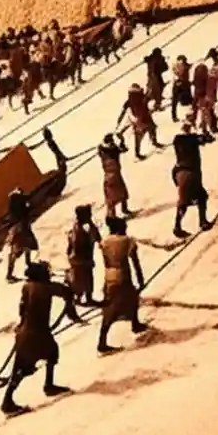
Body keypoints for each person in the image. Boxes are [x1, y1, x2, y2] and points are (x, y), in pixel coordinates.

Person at [1, 262, 84, 415]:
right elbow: (68, 292)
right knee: (48, 355)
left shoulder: (27, 286)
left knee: (20, 366)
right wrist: (70, 281)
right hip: (38, 334)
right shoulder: (46, 288)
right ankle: (46, 386)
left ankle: (9, 398)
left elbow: (22, 309)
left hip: (24, 332)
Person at [97, 216, 149, 354]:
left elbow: (106, 261)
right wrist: (141, 279)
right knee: (132, 299)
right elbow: (135, 262)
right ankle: (135, 324)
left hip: (109, 277)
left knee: (109, 308)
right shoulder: (127, 241)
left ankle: (102, 340)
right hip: (123, 276)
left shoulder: (104, 242)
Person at [172, 121, 214, 239]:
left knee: (196, 197)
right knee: (190, 200)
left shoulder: (177, 140)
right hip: (190, 174)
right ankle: (199, 223)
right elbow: (208, 139)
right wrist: (205, 133)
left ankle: (183, 225)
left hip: (179, 172)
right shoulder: (192, 138)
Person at [66, 205, 102, 306]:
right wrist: (88, 261)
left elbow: (97, 236)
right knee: (84, 279)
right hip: (80, 259)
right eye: (88, 214)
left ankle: (84, 298)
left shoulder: (81, 226)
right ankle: (82, 298)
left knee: (84, 279)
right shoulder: (78, 231)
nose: (90, 215)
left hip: (80, 259)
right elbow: (80, 248)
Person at [116, 84, 161, 159]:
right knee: (144, 133)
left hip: (140, 118)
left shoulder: (131, 100)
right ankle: (141, 151)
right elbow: (149, 97)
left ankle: (146, 147)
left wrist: (119, 120)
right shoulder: (141, 98)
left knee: (147, 131)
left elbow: (123, 111)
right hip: (141, 119)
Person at [4, 188, 37, 283]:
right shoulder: (18, 199)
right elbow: (28, 204)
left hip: (17, 228)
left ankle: (27, 265)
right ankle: (10, 275)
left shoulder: (12, 203)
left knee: (23, 248)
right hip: (21, 227)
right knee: (20, 249)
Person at [98, 133, 133, 218]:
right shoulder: (114, 150)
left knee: (111, 198)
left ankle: (113, 215)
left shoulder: (101, 150)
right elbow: (124, 149)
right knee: (122, 193)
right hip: (116, 175)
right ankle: (124, 210)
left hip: (107, 176)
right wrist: (122, 140)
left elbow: (102, 147)